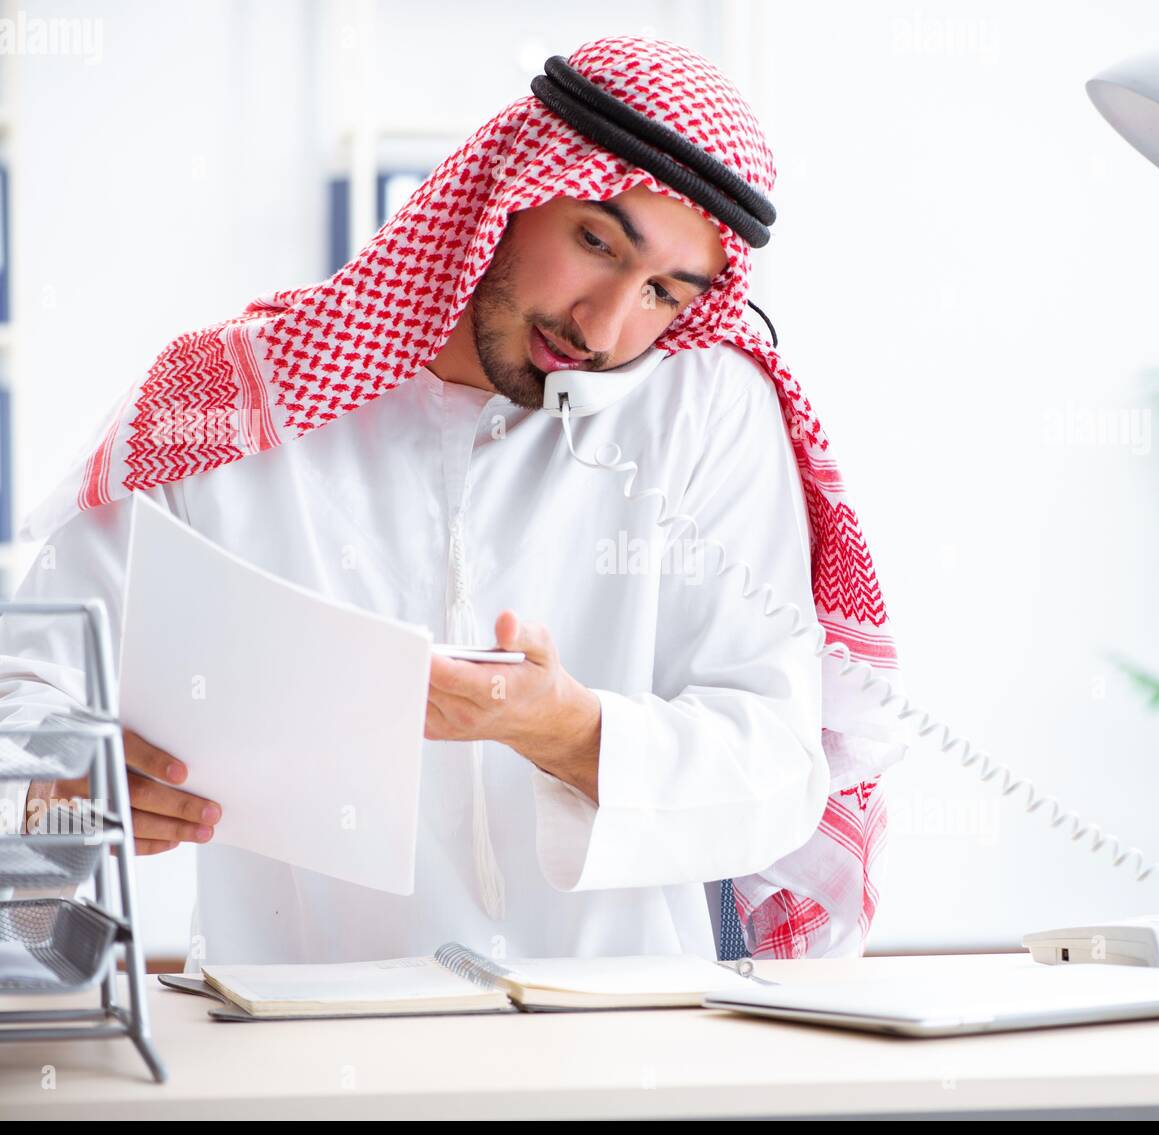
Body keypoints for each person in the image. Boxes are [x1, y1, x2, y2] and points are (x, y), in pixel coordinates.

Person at [0, 36, 907, 966]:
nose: (602, 328)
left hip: (625, 1046)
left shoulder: (704, 411)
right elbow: (24, 700)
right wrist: (66, 794)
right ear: (507, 191)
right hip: (300, 1057)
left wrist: (564, 729)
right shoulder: (230, 406)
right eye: (596, 242)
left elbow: (780, 767)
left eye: (664, 294)